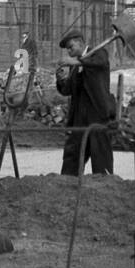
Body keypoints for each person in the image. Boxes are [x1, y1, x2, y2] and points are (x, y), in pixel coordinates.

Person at [55, 28, 115, 176]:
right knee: (71, 157)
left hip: (98, 116)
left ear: (80, 43)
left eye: (71, 47)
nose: (69, 51)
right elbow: (68, 89)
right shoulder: (75, 67)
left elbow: (99, 62)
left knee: (101, 158)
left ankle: (104, 188)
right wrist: (60, 79)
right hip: (79, 119)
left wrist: (77, 61)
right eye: (67, 49)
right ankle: (67, 184)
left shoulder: (98, 53)